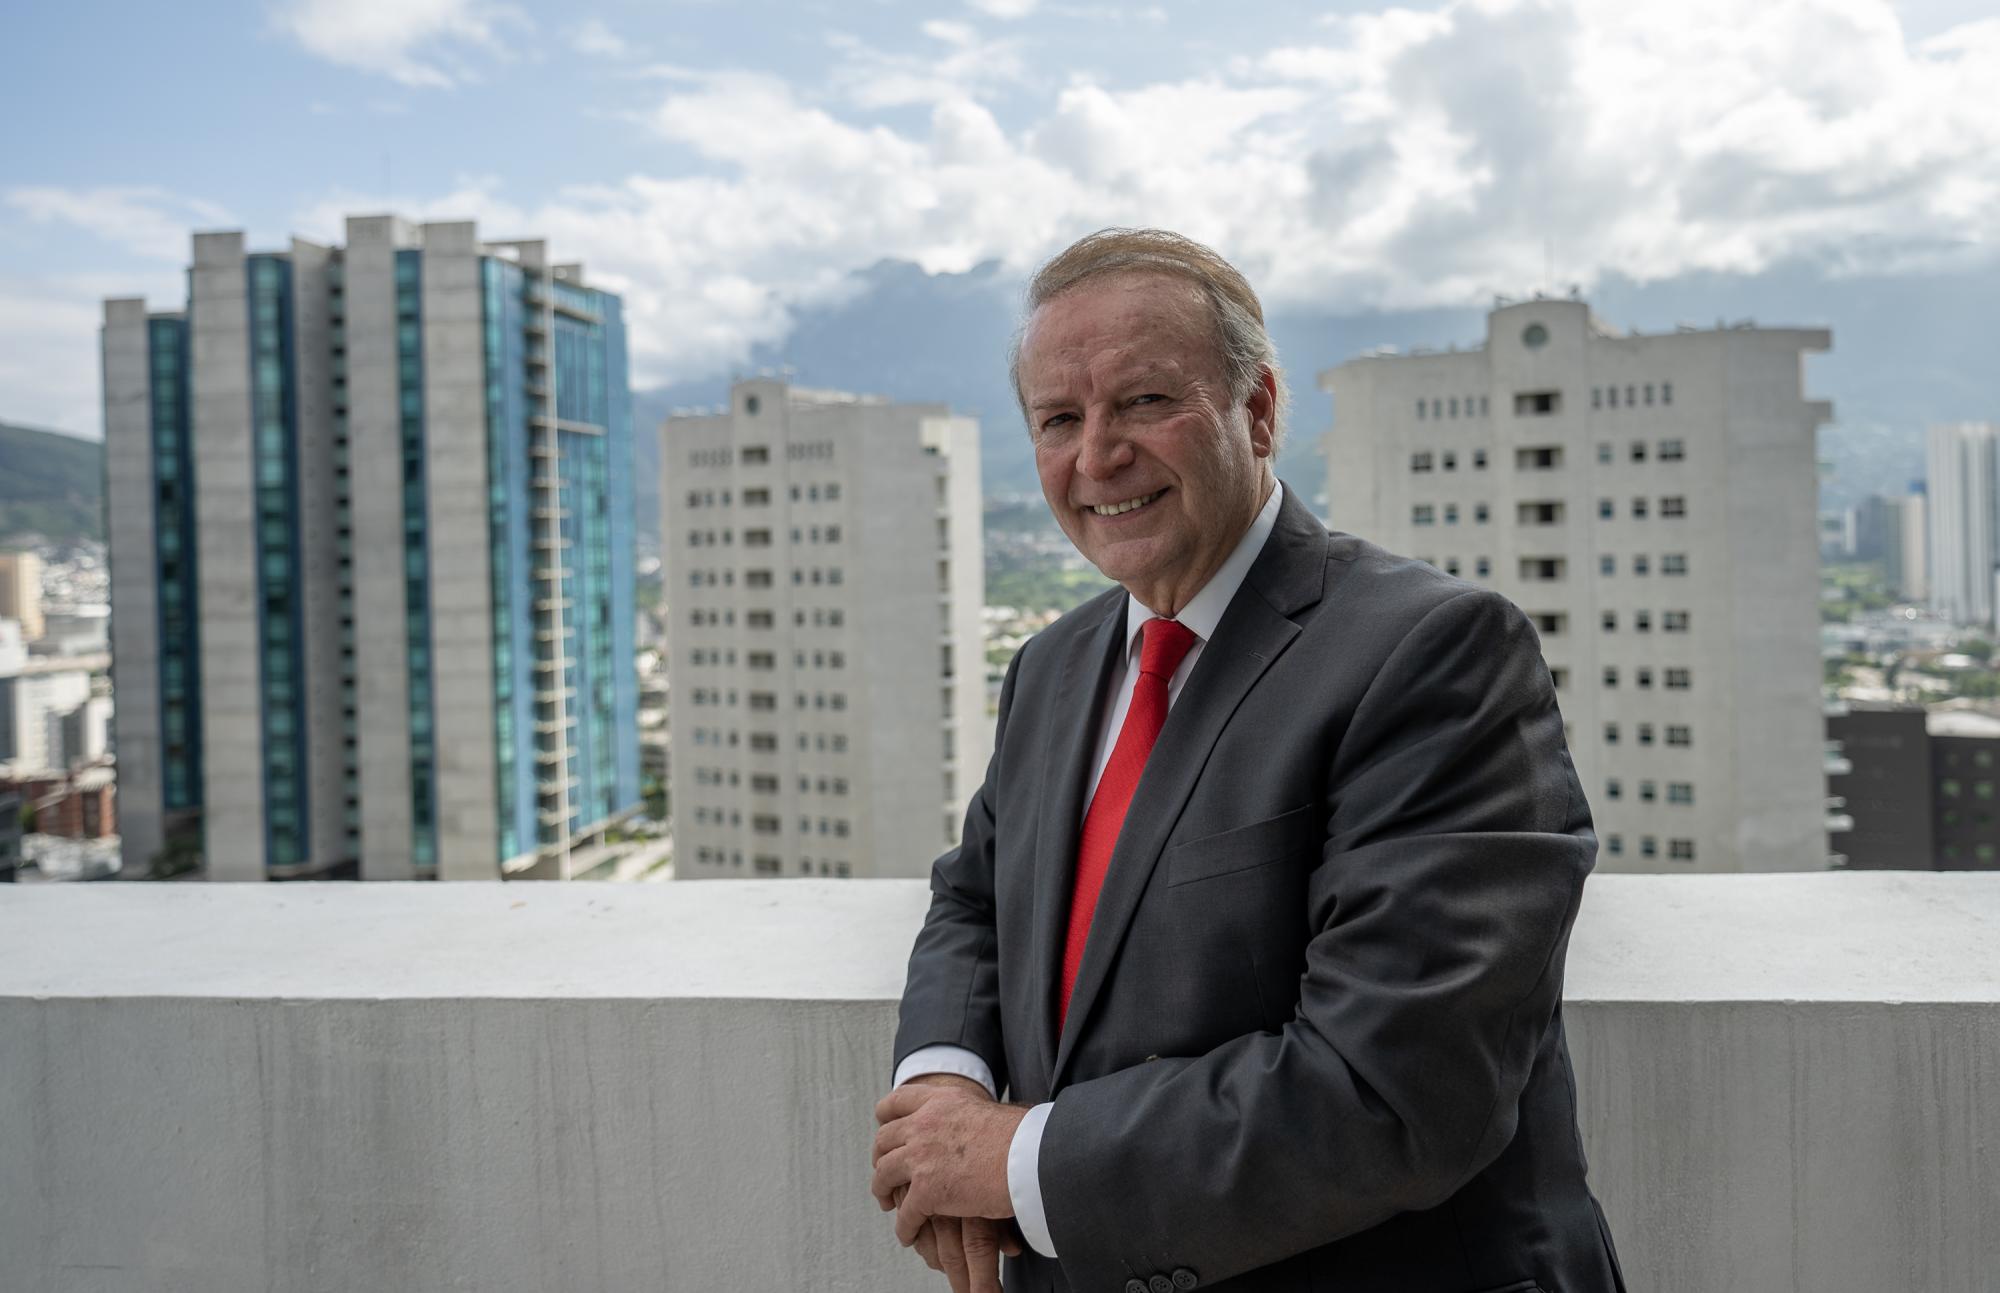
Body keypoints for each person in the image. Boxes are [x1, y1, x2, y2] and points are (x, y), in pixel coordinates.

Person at [870, 228, 1626, 1293]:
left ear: (1257, 410)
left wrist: (1012, 1163)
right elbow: (974, 900)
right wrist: (942, 1089)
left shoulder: (1434, 652)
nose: (1095, 457)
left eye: (1141, 403)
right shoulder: (1053, 665)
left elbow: (1393, 1090)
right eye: (1058, 419)